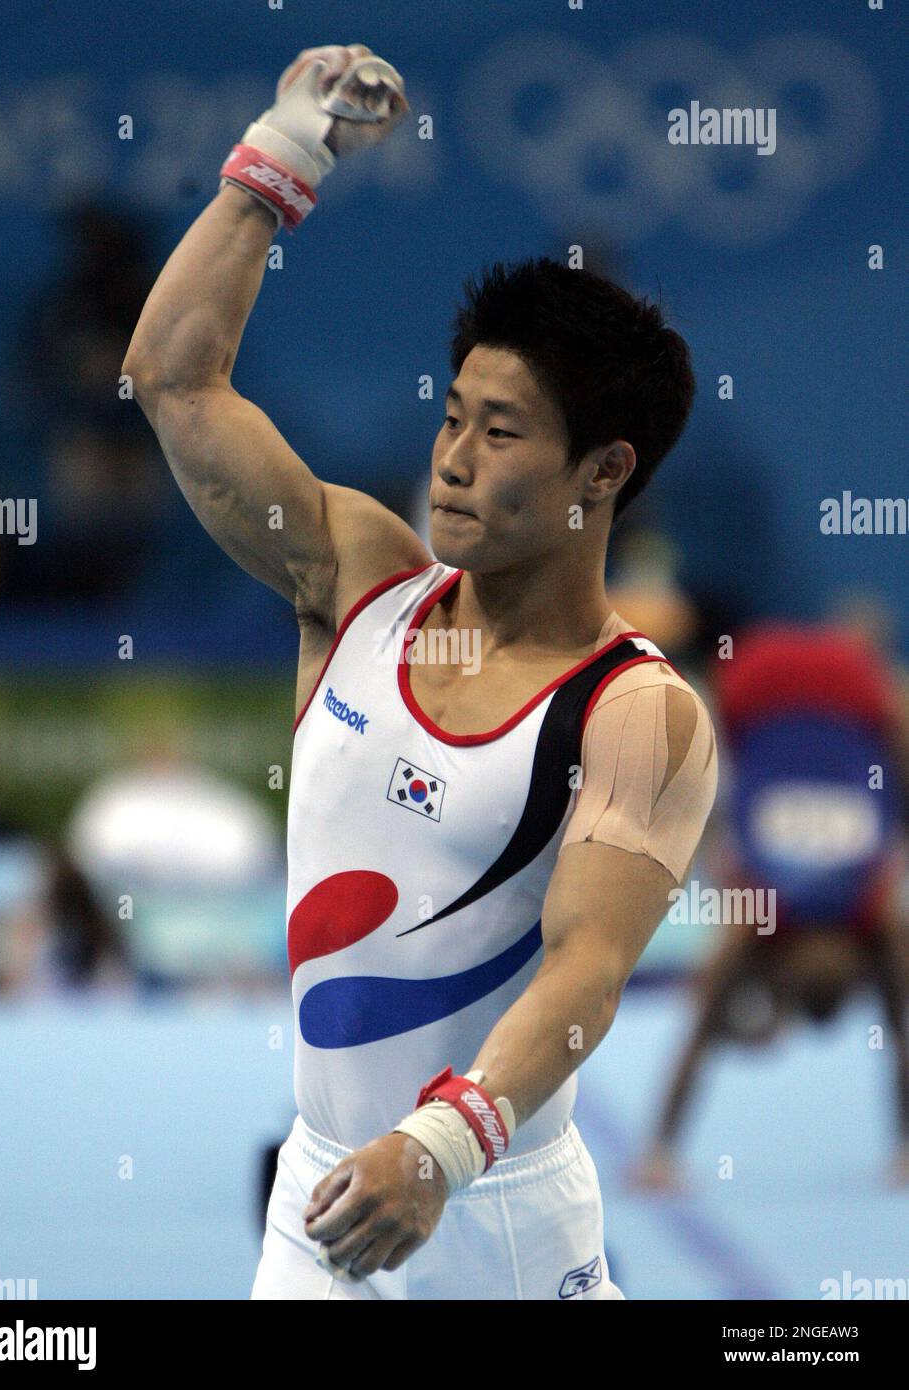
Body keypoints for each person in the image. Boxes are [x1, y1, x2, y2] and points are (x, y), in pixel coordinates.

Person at [123, 42, 717, 1300]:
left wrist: (442, 1146)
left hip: (495, 1211)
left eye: (499, 433)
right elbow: (172, 380)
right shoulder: (356, 585)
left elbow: (584, 976)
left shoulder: (635, 712)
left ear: (601, 474)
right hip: (321, 1198)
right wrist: (279, 159)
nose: (450, 457)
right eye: (452, 415)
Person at [629, 621, 909, 1193]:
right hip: (759, 688)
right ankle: (659, 1149)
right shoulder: (855, 916)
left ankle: (661, 1149)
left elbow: (701, 1030)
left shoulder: (869, 908)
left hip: (838, 688)